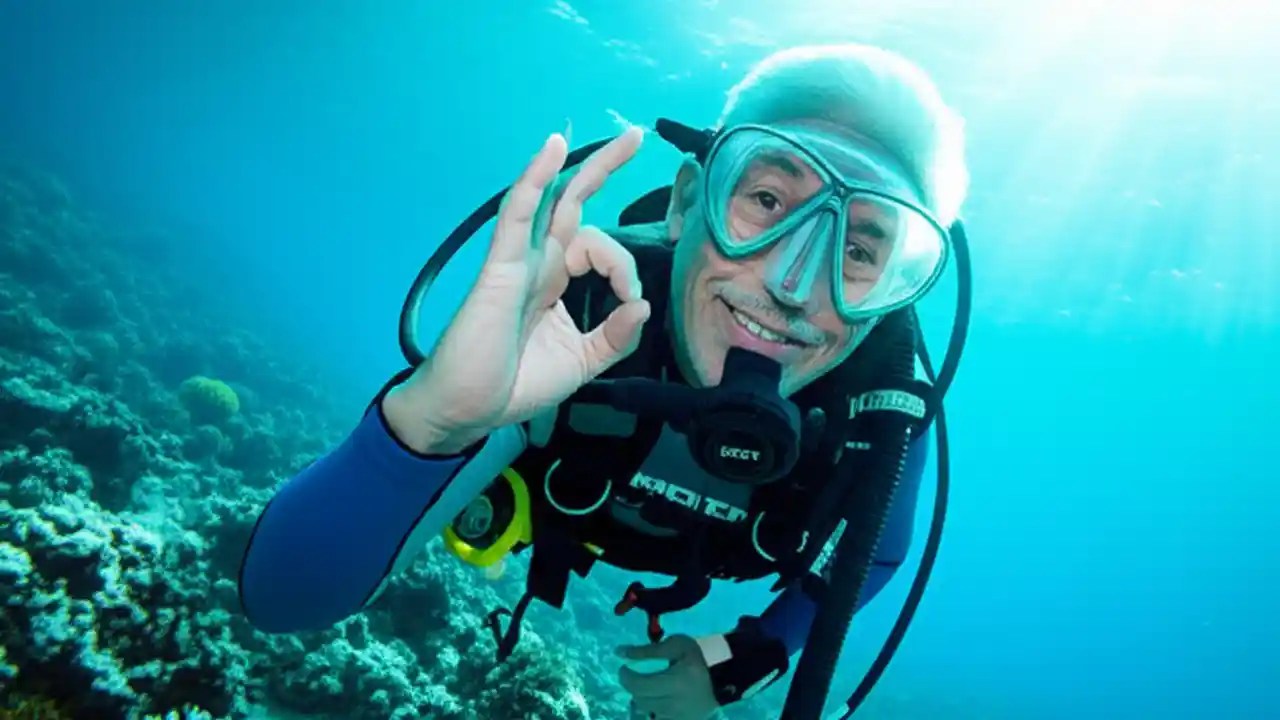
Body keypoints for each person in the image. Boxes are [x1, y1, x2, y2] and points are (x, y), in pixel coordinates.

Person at [238, 42, 970, 720]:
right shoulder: (573, 311)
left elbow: (876, 551)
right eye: (769, 202)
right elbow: (280, 599)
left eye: (862, 250)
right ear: (688, 202)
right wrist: (432, 423)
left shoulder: (878, 414)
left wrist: (739, 661)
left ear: (895, 296)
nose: (792, 283)